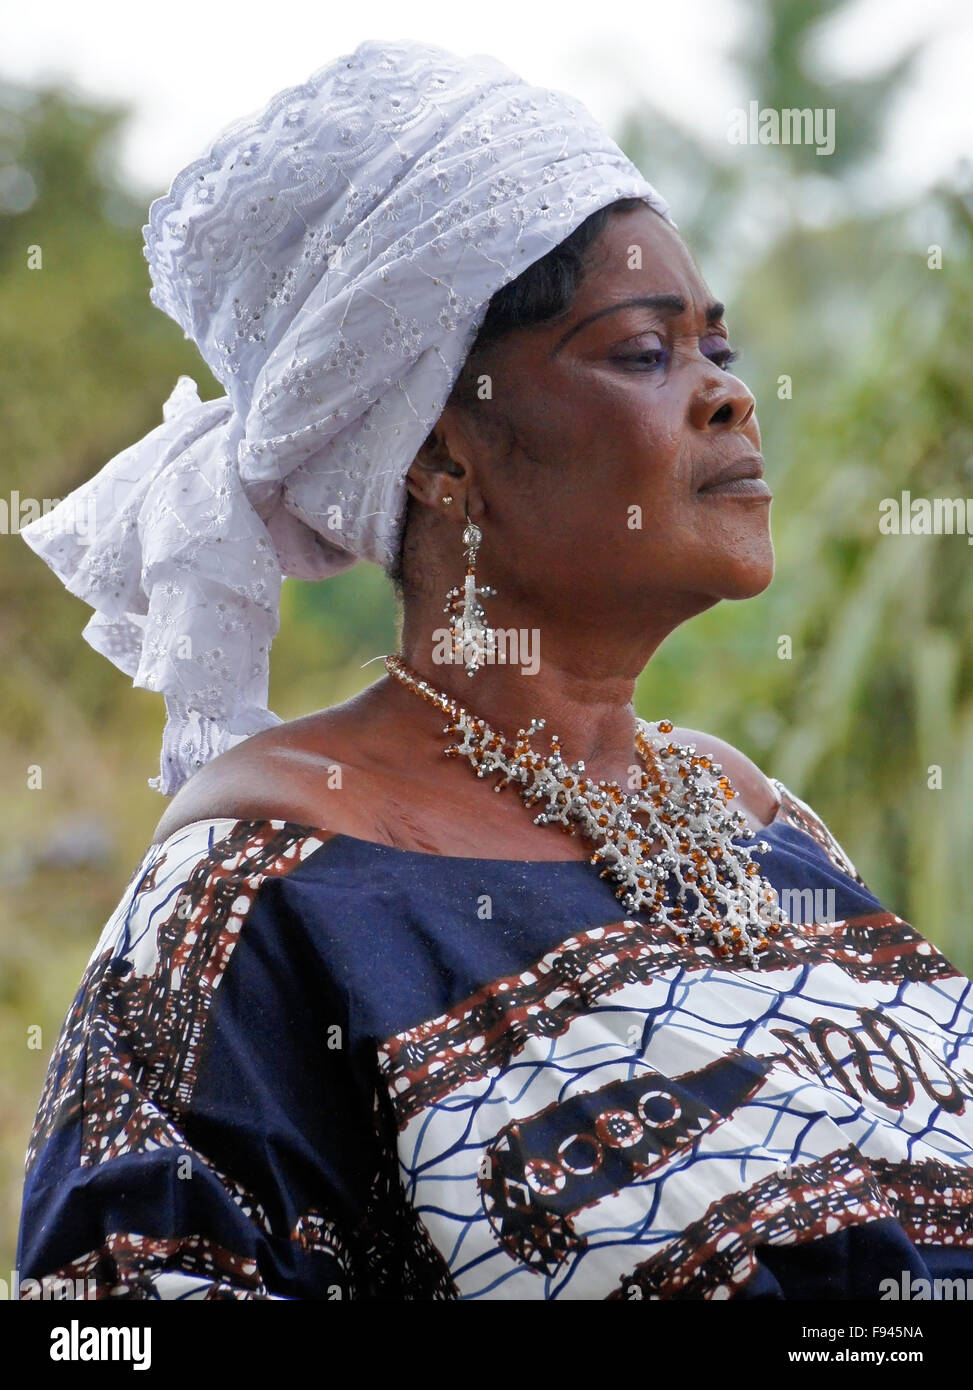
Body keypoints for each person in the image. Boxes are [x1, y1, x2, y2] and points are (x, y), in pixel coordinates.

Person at [16, 39, 973, 1302]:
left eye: (718, 351)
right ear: (441, 450)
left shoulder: (760, 823)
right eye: (642, 353)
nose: (727, 400)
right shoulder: (270, 887)